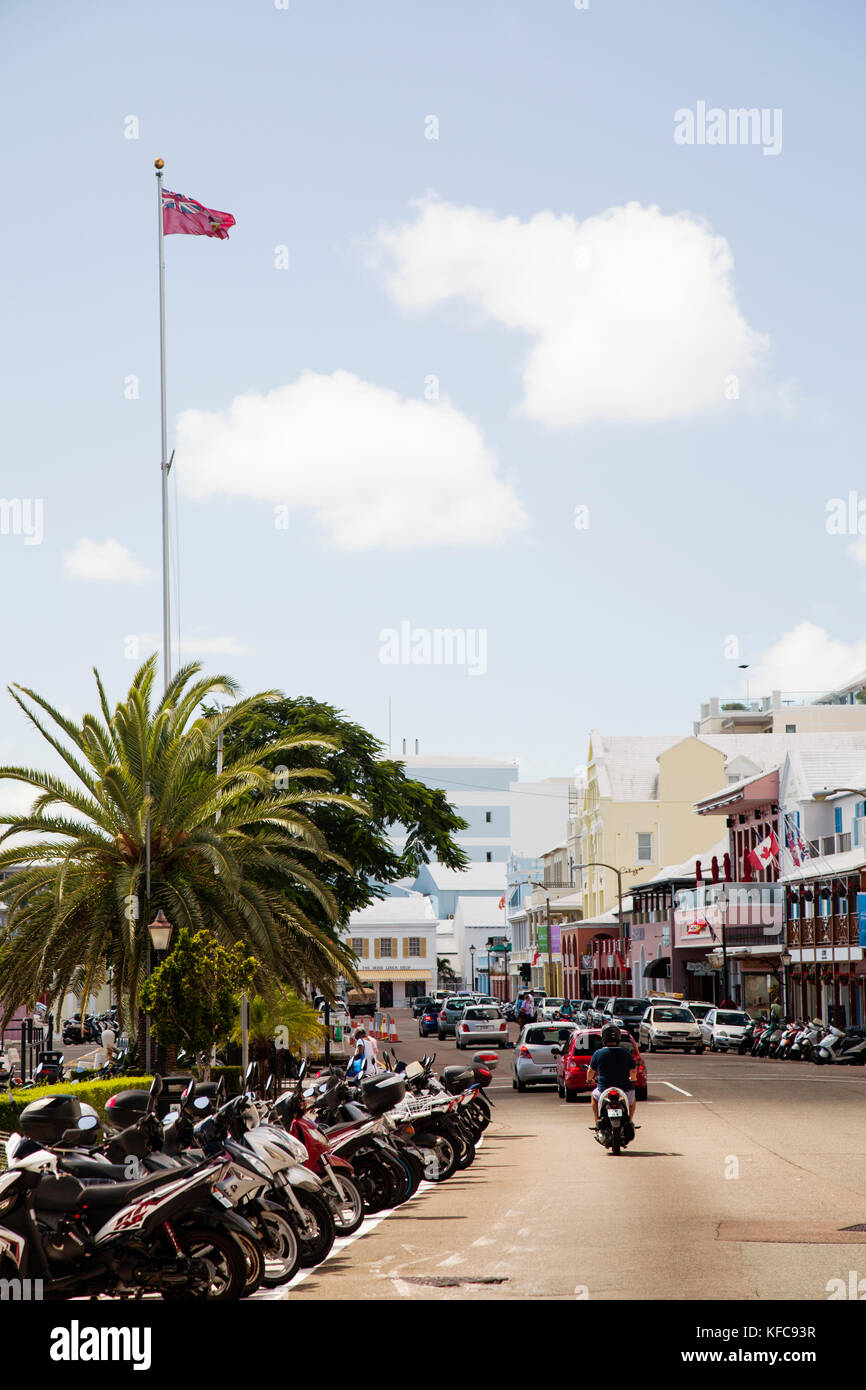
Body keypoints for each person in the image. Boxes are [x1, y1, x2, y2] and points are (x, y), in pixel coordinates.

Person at [586, 1024, 638, 1125]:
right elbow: (633, 1071)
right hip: (624, 1090)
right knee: (632, 1100)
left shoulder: (598, 1053)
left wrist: (589, 1080)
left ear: (603, 1038)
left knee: (593, 1096)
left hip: (603, 1090)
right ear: (618, 1038)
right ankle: (630, 1120)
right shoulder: (626, 1053)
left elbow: (590, 1071)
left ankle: (597, 1119)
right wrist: (633, 1078)